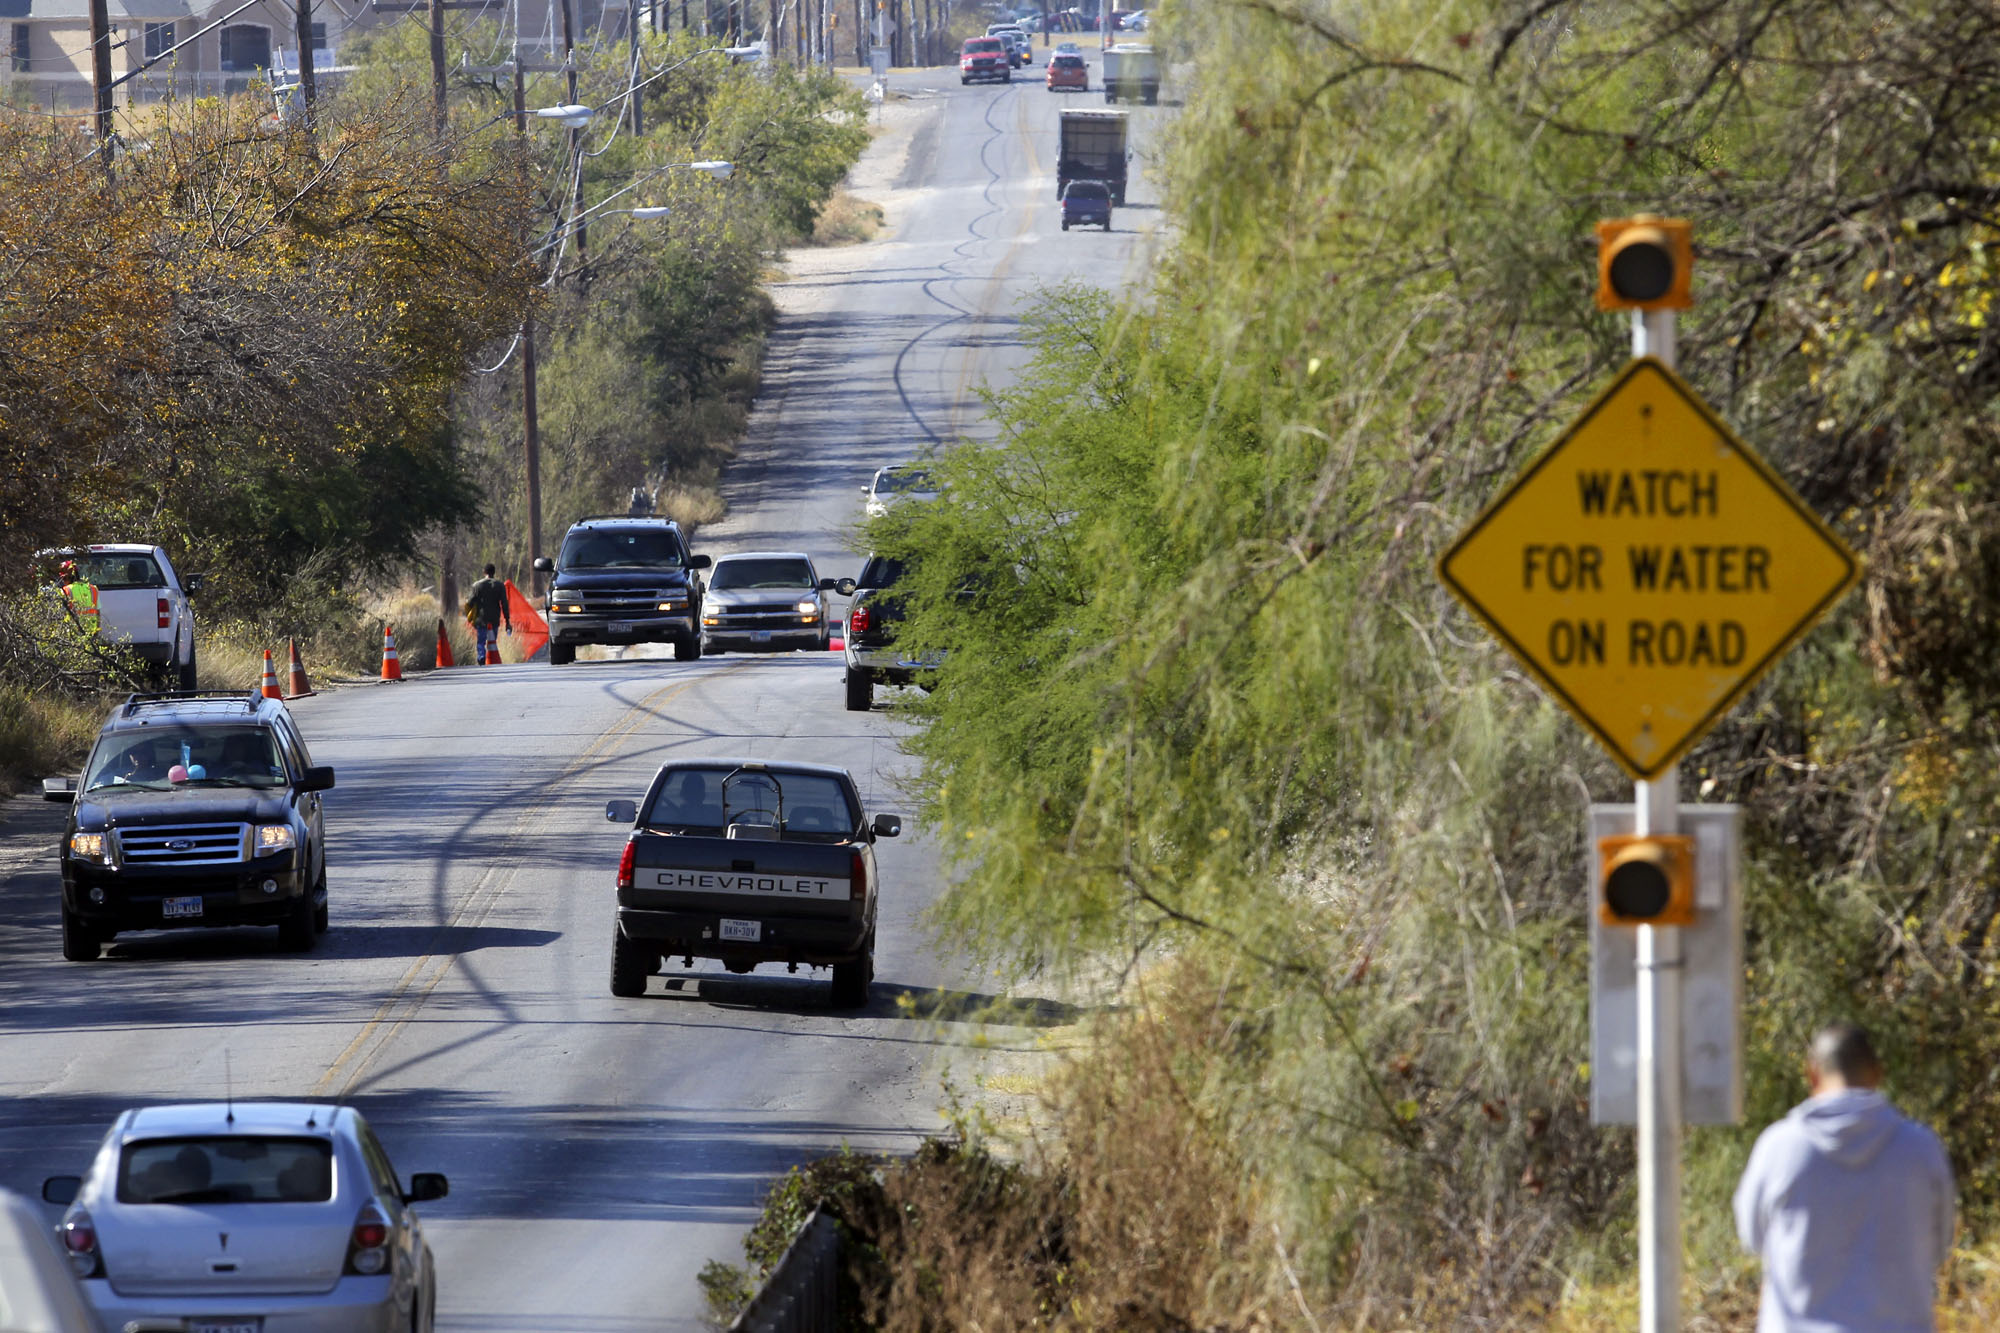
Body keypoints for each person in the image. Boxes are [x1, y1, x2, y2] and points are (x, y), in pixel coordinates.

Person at [1734, 1022, 1955, 1333]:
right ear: (1877, 1074)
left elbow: (1752, 1237)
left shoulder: (1778, 1147)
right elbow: (1939, 1246)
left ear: (1812, 1075)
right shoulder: (1921, 1149)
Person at [465, 563, 511, 666]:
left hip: (481, 618)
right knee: (492, 640)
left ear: (484, 572)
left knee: (481, 641)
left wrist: (469, 616)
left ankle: (481, 657)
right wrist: (507, 621)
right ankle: (491, 658)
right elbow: (504, 604)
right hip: (494, 618)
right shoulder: (500, 585)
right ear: (494, 572)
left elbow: (470, 602)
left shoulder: (477, 585)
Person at [59, 559, 98, 628]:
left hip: (74, 631)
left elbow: (62, 614)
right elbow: (98, 612)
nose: (63, 582)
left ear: (68, 577)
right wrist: (96, 631)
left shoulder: (66, 590)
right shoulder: (93, 589)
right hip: (91, 630)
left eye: (64, 579)